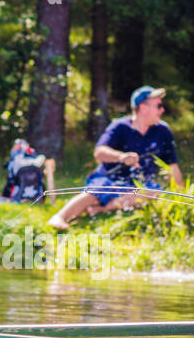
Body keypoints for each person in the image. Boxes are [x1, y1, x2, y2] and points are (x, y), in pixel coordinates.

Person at [47, 86, 182, 230]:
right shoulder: (119, 127)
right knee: (96, 191)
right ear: (143, 108)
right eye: (159, 106)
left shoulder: (163, 131)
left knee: (154, 192)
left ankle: (101, 209)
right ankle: (59, 217)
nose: (162, 110)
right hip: (110, 178)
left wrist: (181, 194)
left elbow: (171, 166)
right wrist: (121, 157)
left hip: (138, 184)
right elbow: (99, 153)